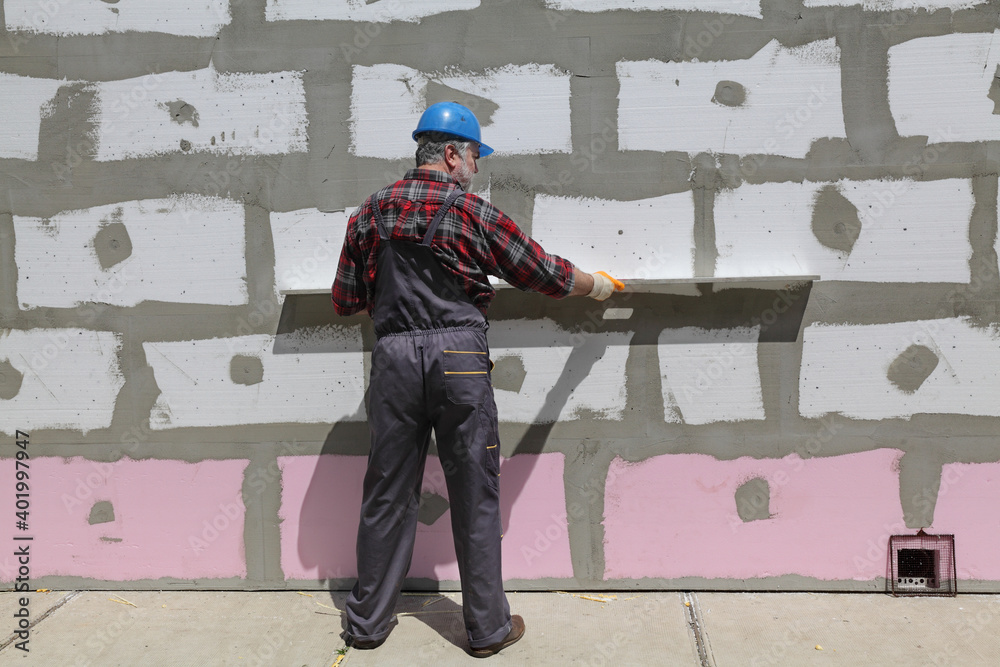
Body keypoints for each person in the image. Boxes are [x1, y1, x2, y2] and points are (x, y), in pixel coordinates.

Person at [331, 101, 624, 657]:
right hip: (459, 360)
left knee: (387, 492)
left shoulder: (367, 215)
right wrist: (597, 286)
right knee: (474, 491)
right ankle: (487, 630)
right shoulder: (473, 213)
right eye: (473, 157)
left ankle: (366, 625)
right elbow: (541, 271)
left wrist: (398, 316)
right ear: (450, 154)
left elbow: (346, 301)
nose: (476, 168)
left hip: (394, 362)